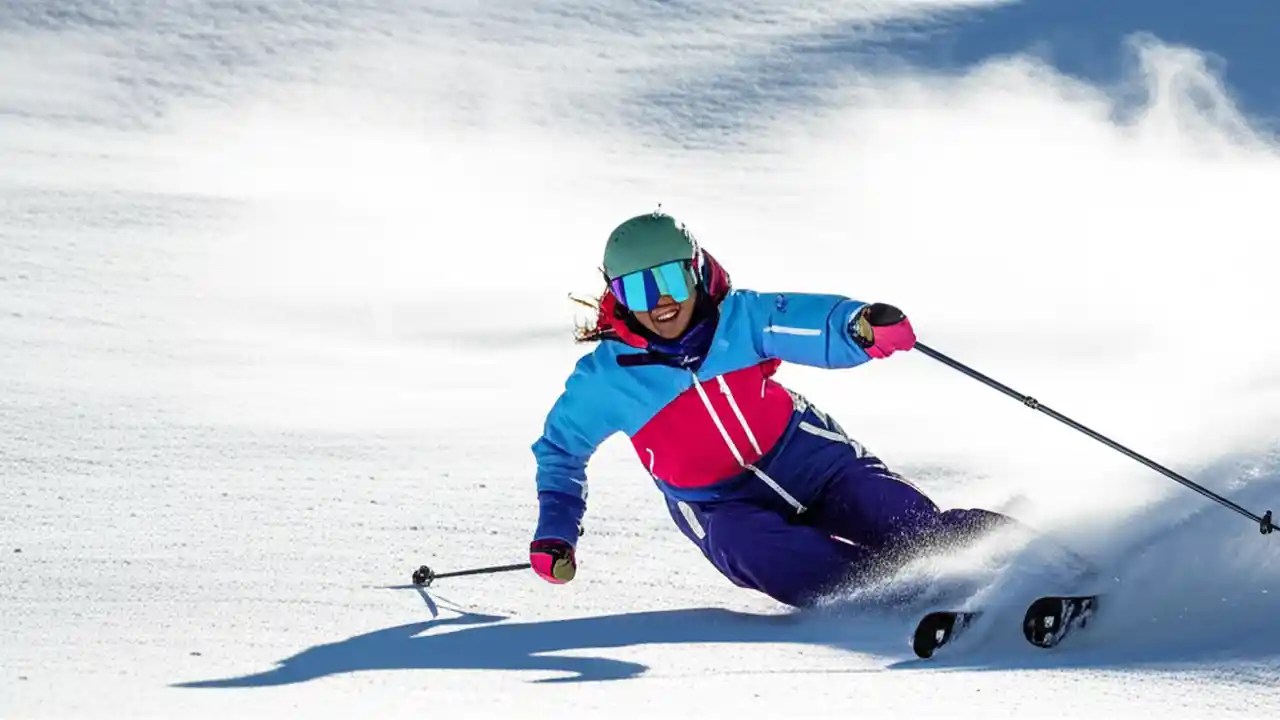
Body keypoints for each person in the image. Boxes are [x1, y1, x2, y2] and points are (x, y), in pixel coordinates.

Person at [528, 211, 1008, 608]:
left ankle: (1031, 560)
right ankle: (890, 600)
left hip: (815, 463)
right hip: (720, 506)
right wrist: (556, 531)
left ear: (695, 270)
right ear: (618, 297)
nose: (663, 301)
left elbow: (807, 324)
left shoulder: (740, 318)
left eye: (671, 278)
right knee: (757, 549)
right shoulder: (607, 378)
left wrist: (859, 327)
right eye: (639, 290)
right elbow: (561, 452)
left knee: (904, 523)